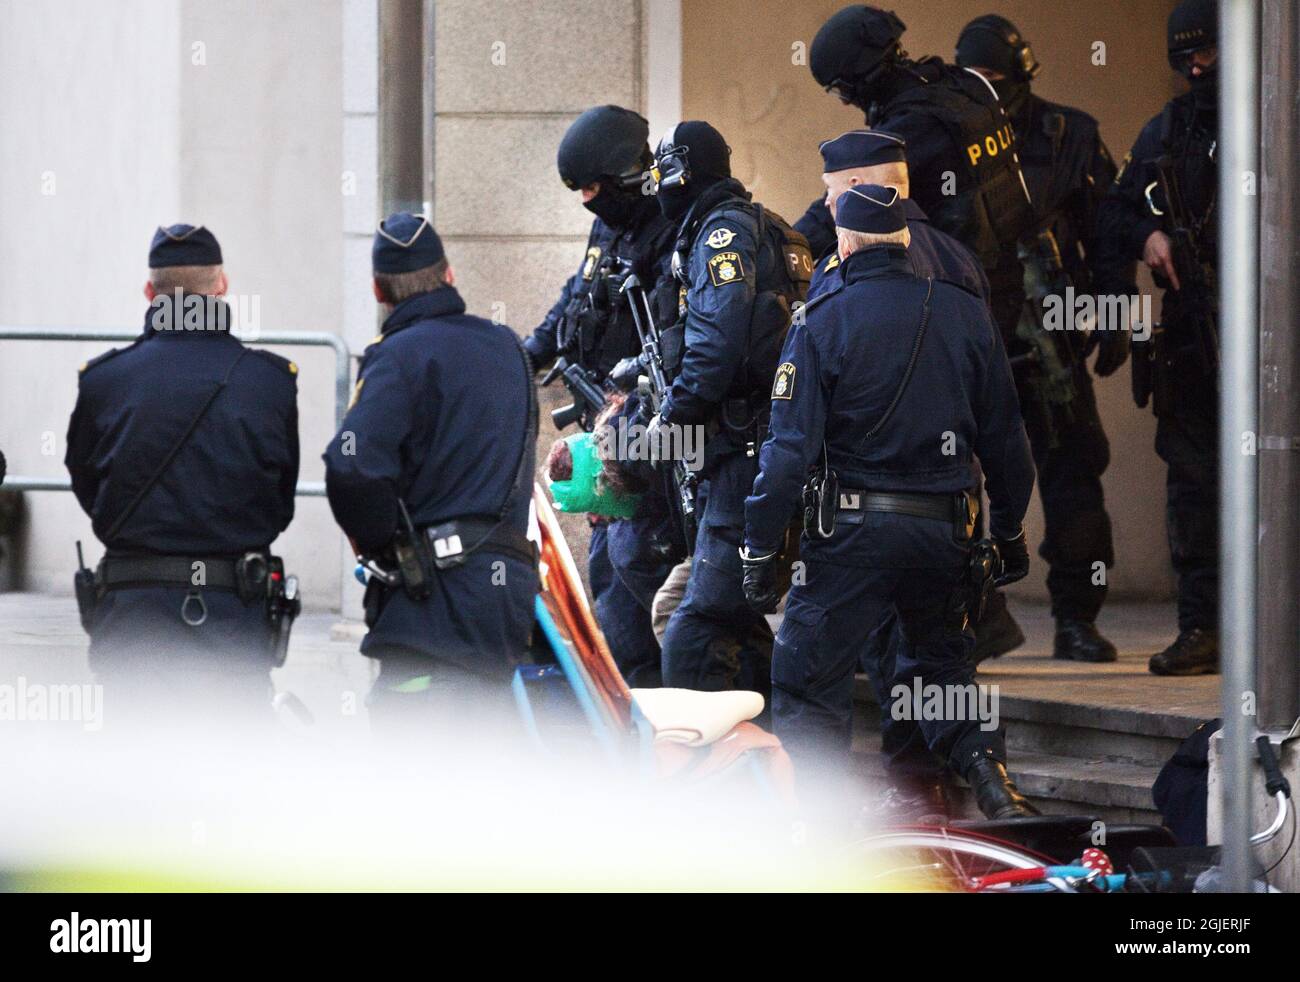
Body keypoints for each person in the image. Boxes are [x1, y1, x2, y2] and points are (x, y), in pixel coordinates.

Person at [742, 185, 1038, 819]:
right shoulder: (964, 311)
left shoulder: (823, 317)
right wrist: (1010, 534)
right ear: (905, 241)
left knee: (809, 676)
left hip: (851, 538)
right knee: (943, 673)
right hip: (945, 534)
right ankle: (992, 782)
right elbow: (1009, 437)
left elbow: (787, 450)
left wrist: (760, 544)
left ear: (844, 245)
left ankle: (818, 825)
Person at [802, 3, 1036, 661]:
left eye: (845, 88)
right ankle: (974, 615)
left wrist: (785, 244)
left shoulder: (912, 128)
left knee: (938, 452)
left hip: (947, 300)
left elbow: (858, 202)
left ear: (863, 74)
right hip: (991, 291)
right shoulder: (960, 89)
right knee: (969, 443)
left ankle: (973, 615)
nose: (847, 101)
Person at [65, 224, 300, 719]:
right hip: (232, 621)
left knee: (133, 778)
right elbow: (280, 499)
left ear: (150, 293)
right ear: (222, 287)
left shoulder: (104, 381)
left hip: (133, 622)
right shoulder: (269, 382)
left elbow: (86, 482)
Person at [324, 213, 538, 738]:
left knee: (416, 771)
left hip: (429, 607)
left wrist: (379, 545)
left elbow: (350, 465)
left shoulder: (396, 357)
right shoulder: (507, 346)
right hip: (502, 605)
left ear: (379, 290)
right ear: (449, 274)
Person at [955, 14, 1125, 663]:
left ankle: (1077, 617)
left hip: (1049, 335)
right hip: (972, 332)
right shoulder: (949, 134)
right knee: (949, 479)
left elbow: (1106, 230)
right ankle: (965, 619)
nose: (993, 91)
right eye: (980, 80)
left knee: (1074, 471)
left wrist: (1111, 310)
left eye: (1001, 78)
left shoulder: (1068, 134)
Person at [649, 120, 811, 695]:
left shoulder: (722, 234)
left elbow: (716, 346)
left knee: (698, 627)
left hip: (746, 455)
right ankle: (755, 764)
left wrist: (672, 418)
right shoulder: (768, 229)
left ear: (681, 174)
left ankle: (697, 772)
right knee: (743, 622)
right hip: (769, 450)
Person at [524, 105, 681, 687]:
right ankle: (638, 722)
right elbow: (577, 297)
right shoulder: (609, 227)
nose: (588, 199)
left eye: (595, 187)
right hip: (603, 443)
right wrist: (528, 354)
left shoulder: (671, 230)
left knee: (640, 578)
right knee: (612, 588)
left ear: (630, 175)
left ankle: (673, 719)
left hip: (647, 445)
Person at [1095, 0, 1221, 676]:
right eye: (1184, 59)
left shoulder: (1273, 121)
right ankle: (1203, 626)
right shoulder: (1166, 132)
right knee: (1195, 487)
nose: (1195, 68)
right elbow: (1113, 212)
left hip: (1268, 340)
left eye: (1206, 55)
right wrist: (1148, 235)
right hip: (1192, 337)